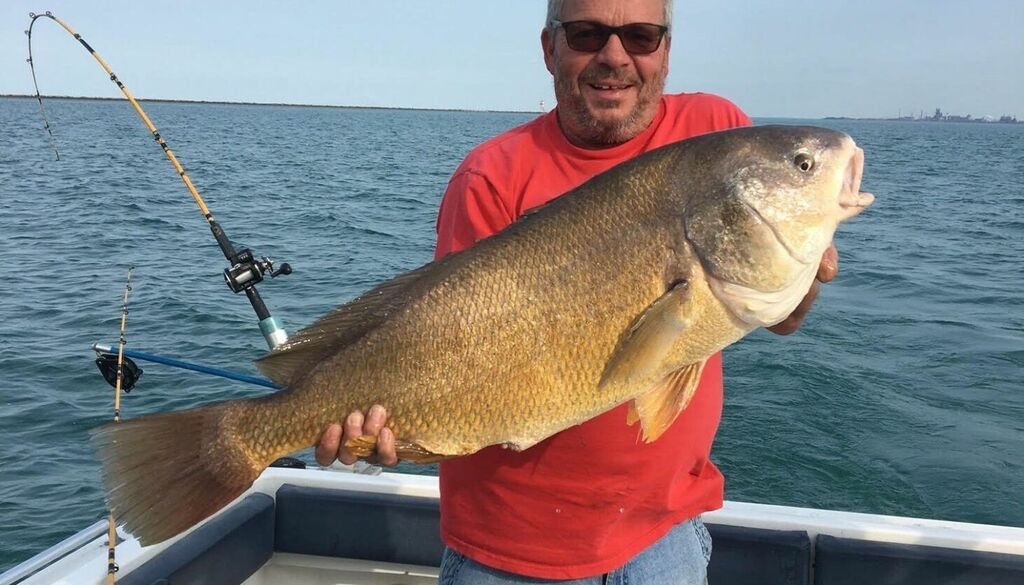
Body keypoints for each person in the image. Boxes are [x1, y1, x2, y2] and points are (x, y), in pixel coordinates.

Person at [316, 0, 839, 583]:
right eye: (588, 34)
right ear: (549, 48)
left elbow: (780, 316)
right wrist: (375, 427)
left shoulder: (720, 135)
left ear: (666, 51)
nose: (614, 57)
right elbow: (443, 336)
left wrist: (801, 263)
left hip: (664, 538)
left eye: (640, 36)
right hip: (506, 549)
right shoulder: (490, 176)